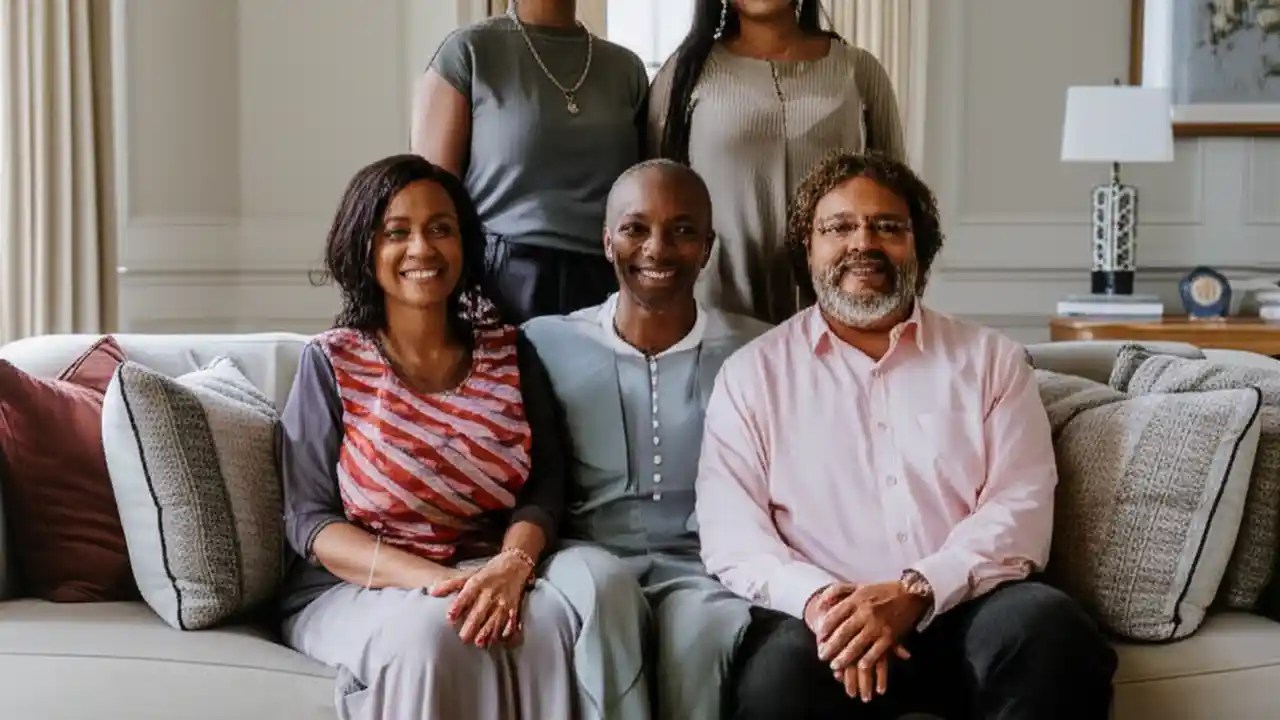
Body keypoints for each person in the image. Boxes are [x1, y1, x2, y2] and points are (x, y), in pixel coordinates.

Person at [695, 151, 1118, 719]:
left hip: (967, 608)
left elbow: (1020, 507)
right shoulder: (752, 376)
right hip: (823, 627)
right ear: (807, 248)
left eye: (888, 227)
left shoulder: (992, 361)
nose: (863, 243)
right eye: (839, 227)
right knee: (776, 682)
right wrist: (827, 606)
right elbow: (733, 535)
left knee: (1052, 632)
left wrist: (916, 591)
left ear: (921, 246)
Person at [277, 154, 577, 719]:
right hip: (355, 588)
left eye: (440, 229)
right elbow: (309, 521)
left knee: (552, 626)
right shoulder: (331, 362)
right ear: (365, 248)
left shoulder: (509, 351)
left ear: (463, 243)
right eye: (397, 232)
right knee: (437, 632)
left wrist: (511, 564)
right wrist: (443, 582)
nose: (422, 248)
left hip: (488, 570)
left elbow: (546, 483)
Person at [525, 160, 771, 720]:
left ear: (707, 247)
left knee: (704, 629)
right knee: (604, 590)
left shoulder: (758, 351)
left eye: (682, 231)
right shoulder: (543, 343)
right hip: (585, 557)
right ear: (607, 241)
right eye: (635, 229)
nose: (656, 249)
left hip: (707, 567)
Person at [648, 0, 906, 325]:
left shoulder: (859, 70)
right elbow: (653, 198)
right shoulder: (684, 73)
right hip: (718, 307)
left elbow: (898, 199)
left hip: (839, 304)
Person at [413, 0, 649, 323]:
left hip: (608, 288)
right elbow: (429, 200)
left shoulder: (626, 69)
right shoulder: (468, 53)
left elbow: (647, 192)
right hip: (501, 284)